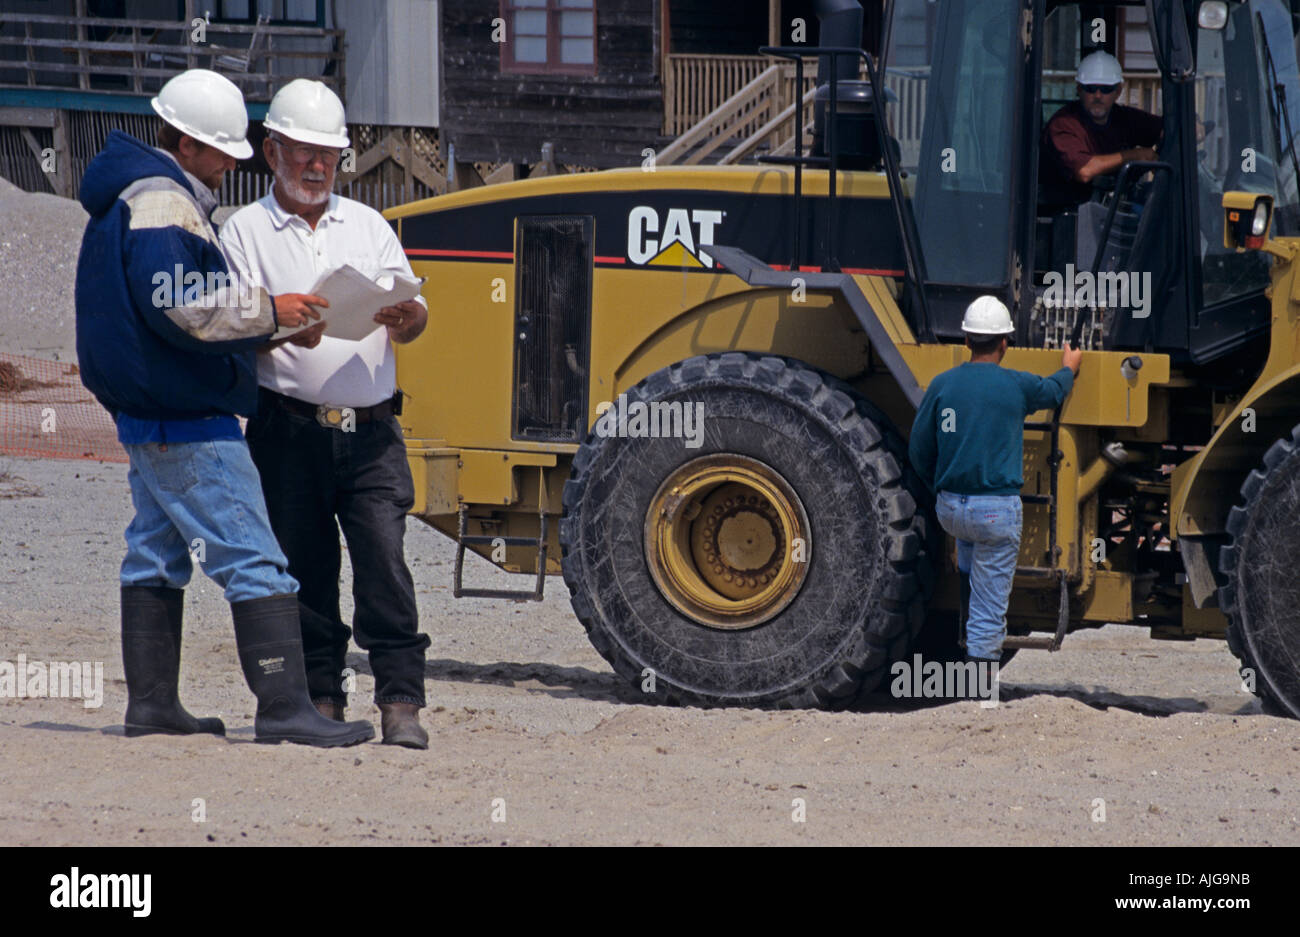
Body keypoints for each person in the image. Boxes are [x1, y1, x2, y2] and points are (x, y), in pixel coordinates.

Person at [75, 68, 374, 747]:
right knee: (255, 557)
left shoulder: (127, 193)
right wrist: (275, 311)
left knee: (153, 552)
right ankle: (285, 708)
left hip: (147, 415)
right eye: (223, 152)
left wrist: (272, 322)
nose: (231, 164)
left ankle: (151, 704)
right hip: (189, 419)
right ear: (185, 145)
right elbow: (180, 303)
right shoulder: (163, 201)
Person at [220, 79, 432, 749]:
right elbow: (232, 324)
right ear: (271, 149)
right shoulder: (243, 232)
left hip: (371, 433)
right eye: (305, 152)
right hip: (289, 430)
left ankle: (401, 700)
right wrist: (282, 330)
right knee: (304, 568)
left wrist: (410, 316)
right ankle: (321, 696)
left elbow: (417, 314)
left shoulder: (368, 225)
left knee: (385, 564)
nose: (318, 167)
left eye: (329, 156)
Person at [907, 296, 1083, 670]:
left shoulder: (942, 386)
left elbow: (920, 450)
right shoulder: (1016, 386)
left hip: (952, 510)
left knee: (972, 568)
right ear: (1005, 344)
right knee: (990, 606)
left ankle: (967, 627)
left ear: (967, 341)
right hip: (995, 514)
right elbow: (1054, 391)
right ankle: (979, 689)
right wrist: (1069, 367)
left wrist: (939, 488)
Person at [1039, 51, 1164, 211]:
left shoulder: (1124, 117)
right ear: (1079, 90)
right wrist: (1136, 155)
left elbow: (1166, 128)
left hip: (1106, 212)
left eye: (1106, 89)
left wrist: (1194, 125)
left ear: (1118, 91)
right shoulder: (1063, 124)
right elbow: (1084, 170)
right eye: (1090, 88)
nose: (1098, 96)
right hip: (1067, 219)